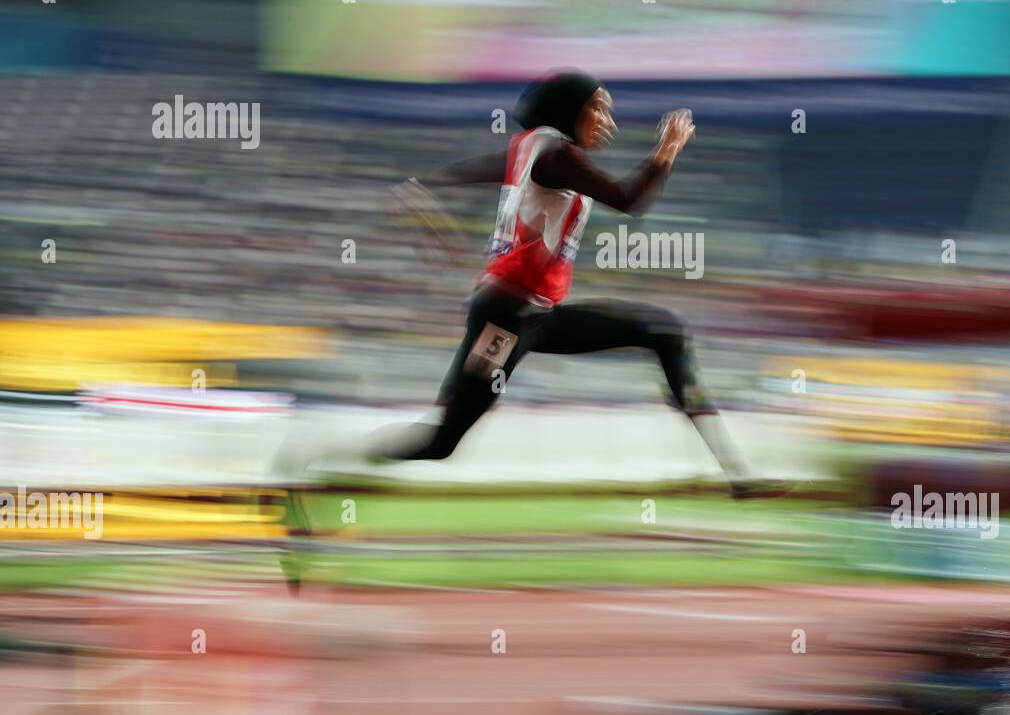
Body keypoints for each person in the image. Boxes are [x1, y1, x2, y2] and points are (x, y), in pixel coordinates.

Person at [274, 69, 789, 591]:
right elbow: (630, 201)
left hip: (536, 315)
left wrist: (428, 182)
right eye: (599, 109)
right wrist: (667, 149)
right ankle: (312, 471)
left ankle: (735, 473)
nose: (608, 121)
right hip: (506, 318)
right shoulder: (557, 154)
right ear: (569, 111)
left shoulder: (532, 149)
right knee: (439, 440)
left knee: (666, 332)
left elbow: (490, 167)